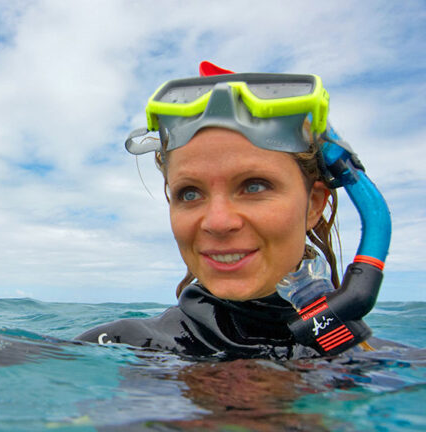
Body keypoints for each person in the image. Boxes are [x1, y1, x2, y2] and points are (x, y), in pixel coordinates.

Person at [76, 63, 392, 360]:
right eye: (190, 193)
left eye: (254, 186)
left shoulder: (379, 362)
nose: (218, 222)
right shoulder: (121, 348)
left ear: (313, 205)